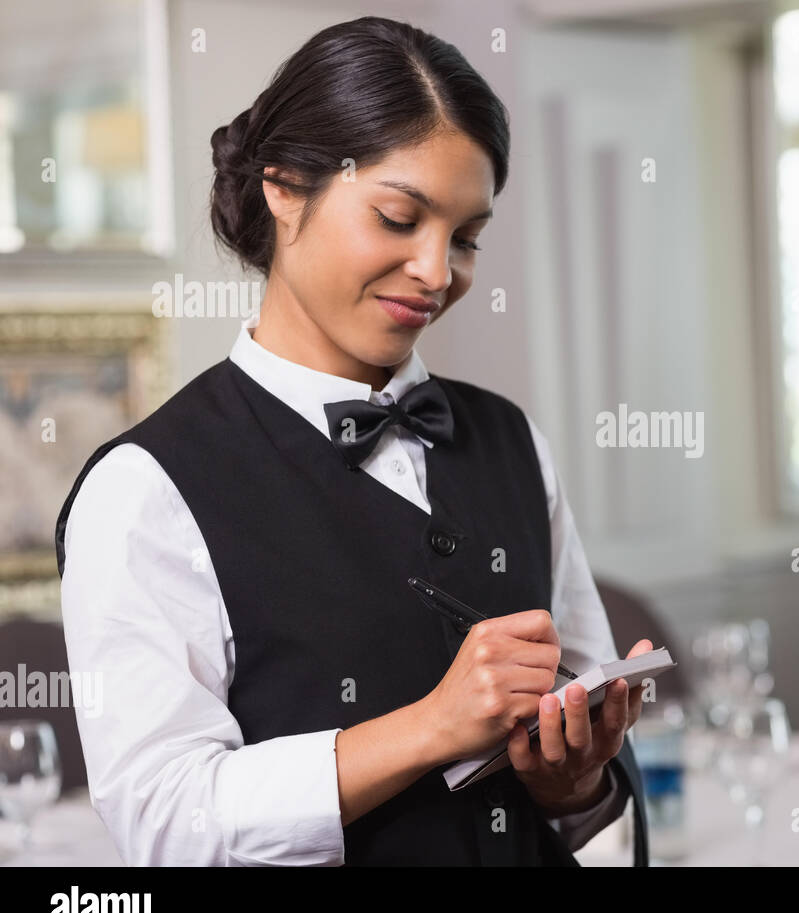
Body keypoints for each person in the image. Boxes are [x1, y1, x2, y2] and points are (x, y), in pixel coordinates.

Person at [54, 15, 651, 866]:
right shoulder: (145, 489)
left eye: (467, 237)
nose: (439, 272)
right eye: (400, 218)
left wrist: (575, 785)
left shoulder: (512, 439)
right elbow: (166, 824)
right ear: (285, 186)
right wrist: (428, 730)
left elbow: (586, 792)